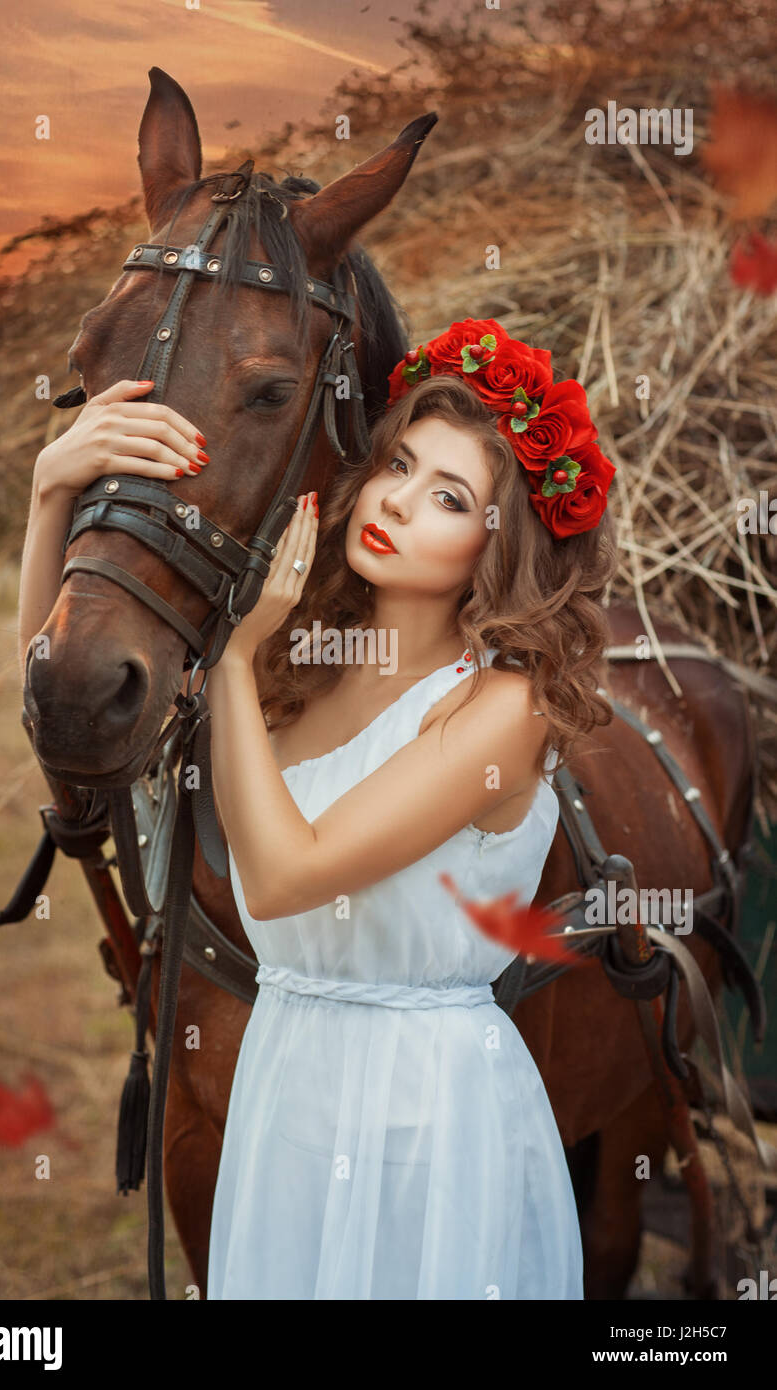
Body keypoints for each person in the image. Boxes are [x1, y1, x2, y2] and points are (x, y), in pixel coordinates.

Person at [202, 317, 618, 1299]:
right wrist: (55, 490)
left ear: (494, 539)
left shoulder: (498, 707)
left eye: (447, 496)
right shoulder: (303, 666)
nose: (393, 499)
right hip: (285, 1077)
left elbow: (280, 875)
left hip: (421, 1111)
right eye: (396, 464)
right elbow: (56, 703)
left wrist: (227, 656)